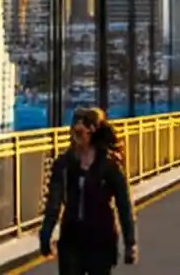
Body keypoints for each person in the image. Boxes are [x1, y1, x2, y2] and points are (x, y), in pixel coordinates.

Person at [39, 107, 138, 274]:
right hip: (72, 239)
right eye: (75, 132)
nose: (78, 137)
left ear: (94, 133)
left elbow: (124, 205)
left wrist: (130, 243)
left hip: (101, 239)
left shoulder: (109, 166)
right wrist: (46, 234)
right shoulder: (63, 164)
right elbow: (53, 203)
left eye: (83, 131)